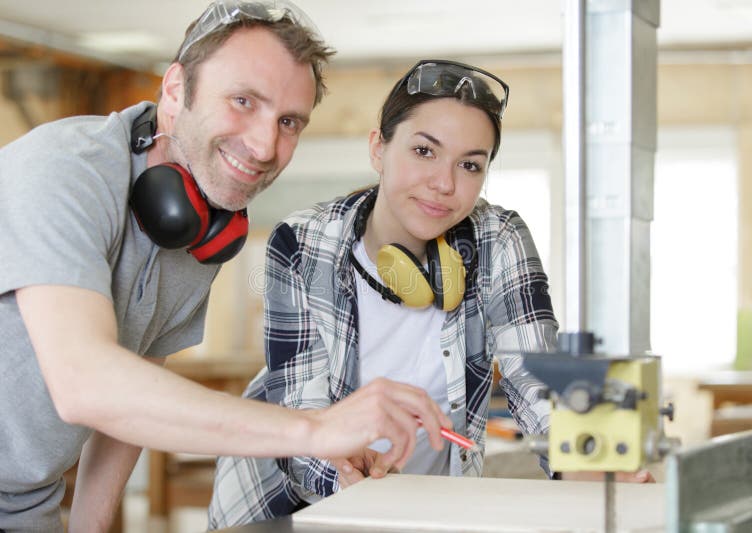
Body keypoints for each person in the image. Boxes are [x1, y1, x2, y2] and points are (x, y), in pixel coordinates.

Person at [0, 3, 452, 531]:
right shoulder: (62, 171)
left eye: (288, 122)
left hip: (27, 505)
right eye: (242, 101)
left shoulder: (203, 223)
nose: (264, 146)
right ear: (175, 90)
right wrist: (311, 430)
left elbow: (132, 398)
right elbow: (86, 382)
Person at [208, 58, 566, 528]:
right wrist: (342, 470)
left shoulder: (498, 238)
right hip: (283, 506)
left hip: (427, 507)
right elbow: (299, 416)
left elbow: (537, 377)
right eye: (424, 151)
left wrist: (579, 456)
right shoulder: (303, 242)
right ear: (379, 148)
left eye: (470, 164)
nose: (444, 183)